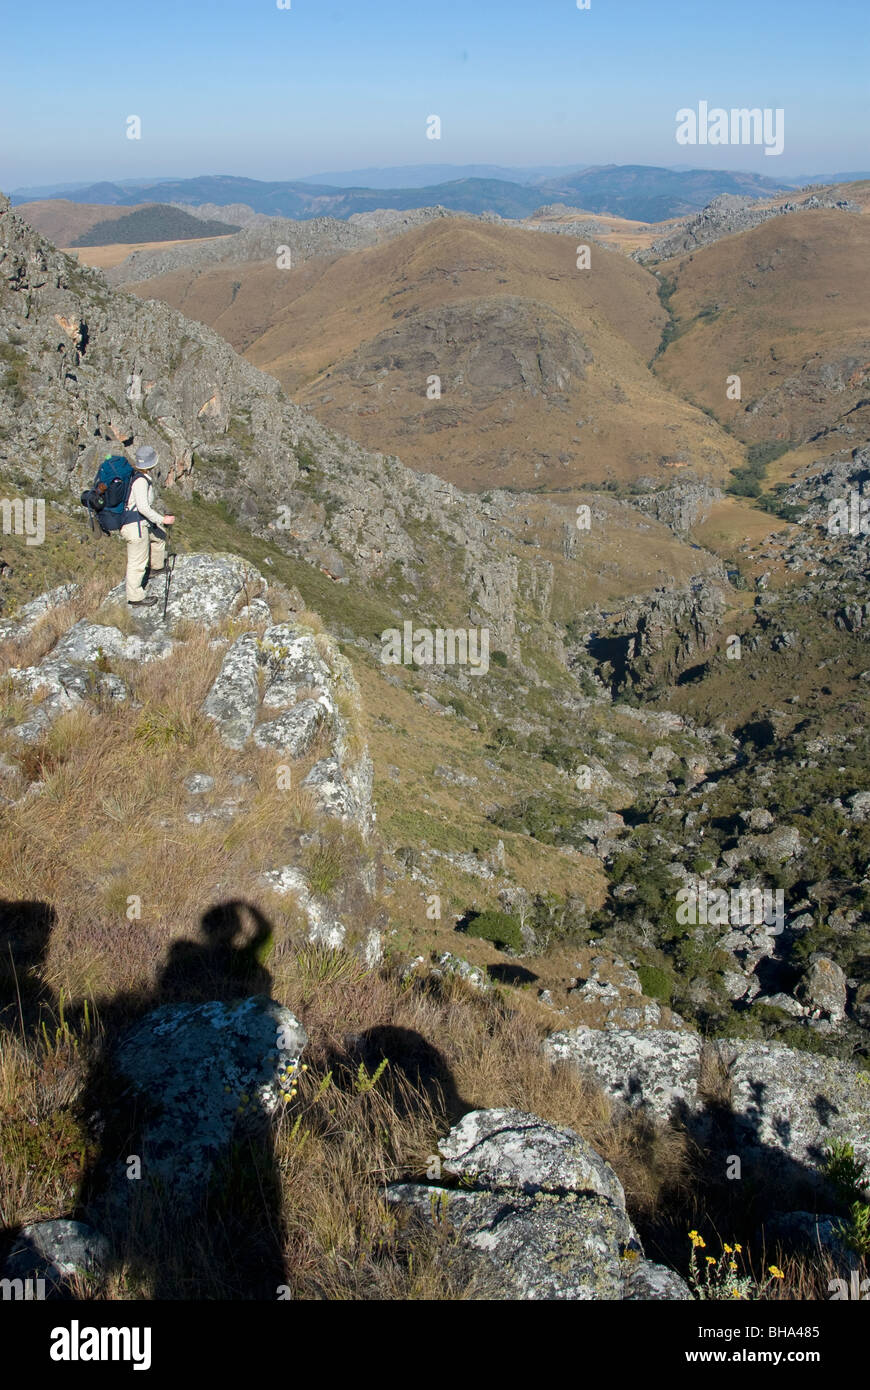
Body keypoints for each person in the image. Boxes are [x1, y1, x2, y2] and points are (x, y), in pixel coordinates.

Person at [120, 445, 175, 607]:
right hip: (135, 526)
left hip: (139, 522)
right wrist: (162, 519)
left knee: (160, 535)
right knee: (137, 561)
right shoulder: (140, 481)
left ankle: (156, 567)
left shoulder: (136, 476)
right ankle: (135, 597)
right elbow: (143, 508)